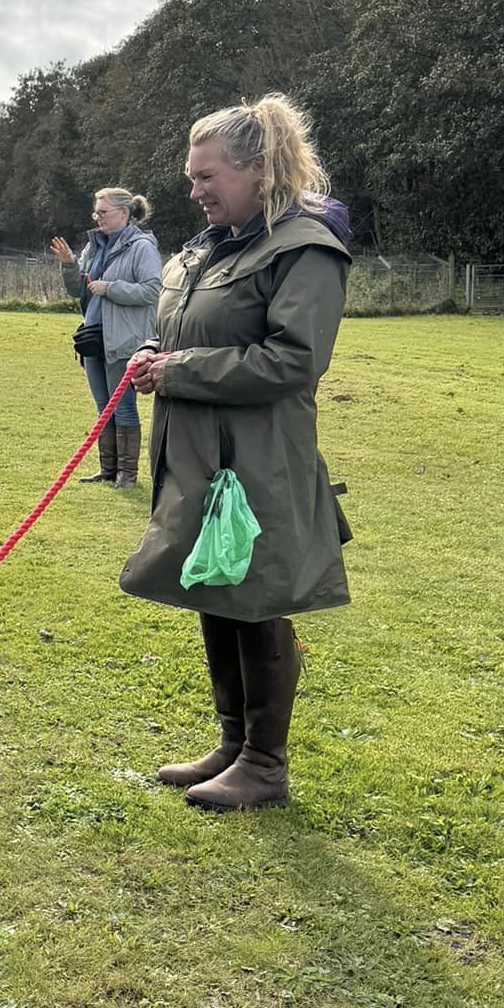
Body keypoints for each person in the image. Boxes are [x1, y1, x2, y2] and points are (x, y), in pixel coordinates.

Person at [120, 95, 352, 810]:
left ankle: (265, 765)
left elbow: (293, 360)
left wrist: (180, 370)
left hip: (255, 460)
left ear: (258, 169)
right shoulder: (206, 247)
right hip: (197, 456)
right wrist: (163, 350)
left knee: (254, 601)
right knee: (214, 589)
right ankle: (230, 744)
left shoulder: (303, 248)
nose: (193, 190)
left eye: (206, 175)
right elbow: (201, 327)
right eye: (192, 176)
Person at [50, 189, 161, 487]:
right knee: (103, 407)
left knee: (122, 407)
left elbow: (152, 290)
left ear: (124, 214)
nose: (97, 217)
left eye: (103, 212)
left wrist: (111, 287)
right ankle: (107, 469)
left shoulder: (141, 247)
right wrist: (70, 264)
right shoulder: (93, 247)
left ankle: (127, 475)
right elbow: (79, 290)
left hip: (123, 340)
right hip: (93, 338)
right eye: (96, 212)